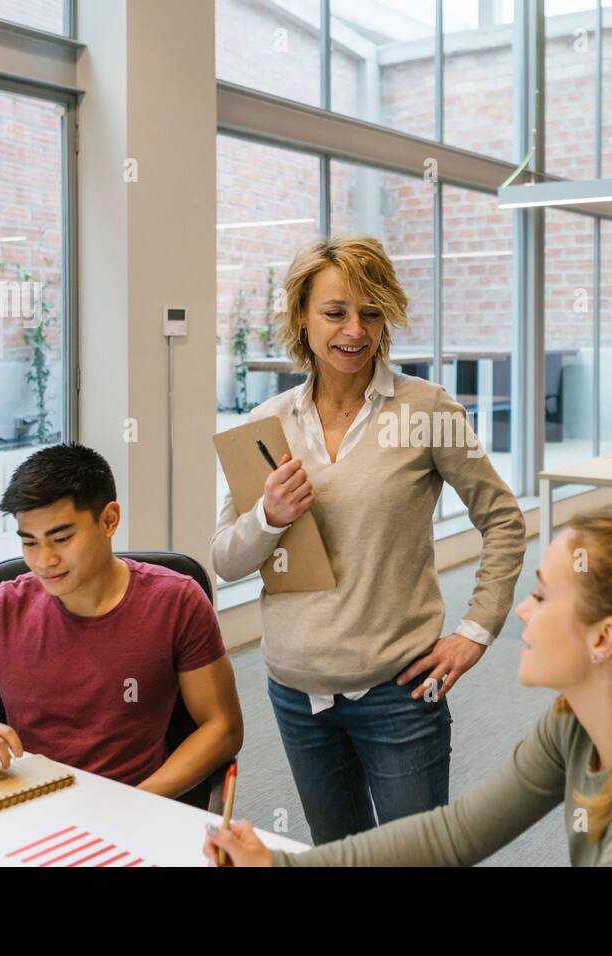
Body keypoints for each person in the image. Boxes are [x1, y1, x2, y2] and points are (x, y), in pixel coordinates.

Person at [204, 512, 612, 866]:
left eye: (543, 596)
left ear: (604, 638)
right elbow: (456, 834)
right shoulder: (575, 724)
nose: (523, 610)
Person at [211, 234, 526, 844]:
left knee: (415, 858)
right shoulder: (265, 424)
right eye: (335, 312)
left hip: (399, 692)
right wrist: (268, 517)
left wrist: (475, 631)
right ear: (301, 316)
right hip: (296, 692)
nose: (355, 330)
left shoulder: (427, 409)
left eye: (371, 312)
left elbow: (503, 519)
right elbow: (225, 560)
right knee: (337, 854)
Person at [0, 442, 242, 800]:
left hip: (133, 806)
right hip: (27, 806)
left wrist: (138, 800)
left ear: (109, 520)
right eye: (29, 542)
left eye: (61, 538)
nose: (44, 561)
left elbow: (222, 727)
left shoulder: (175, 601)